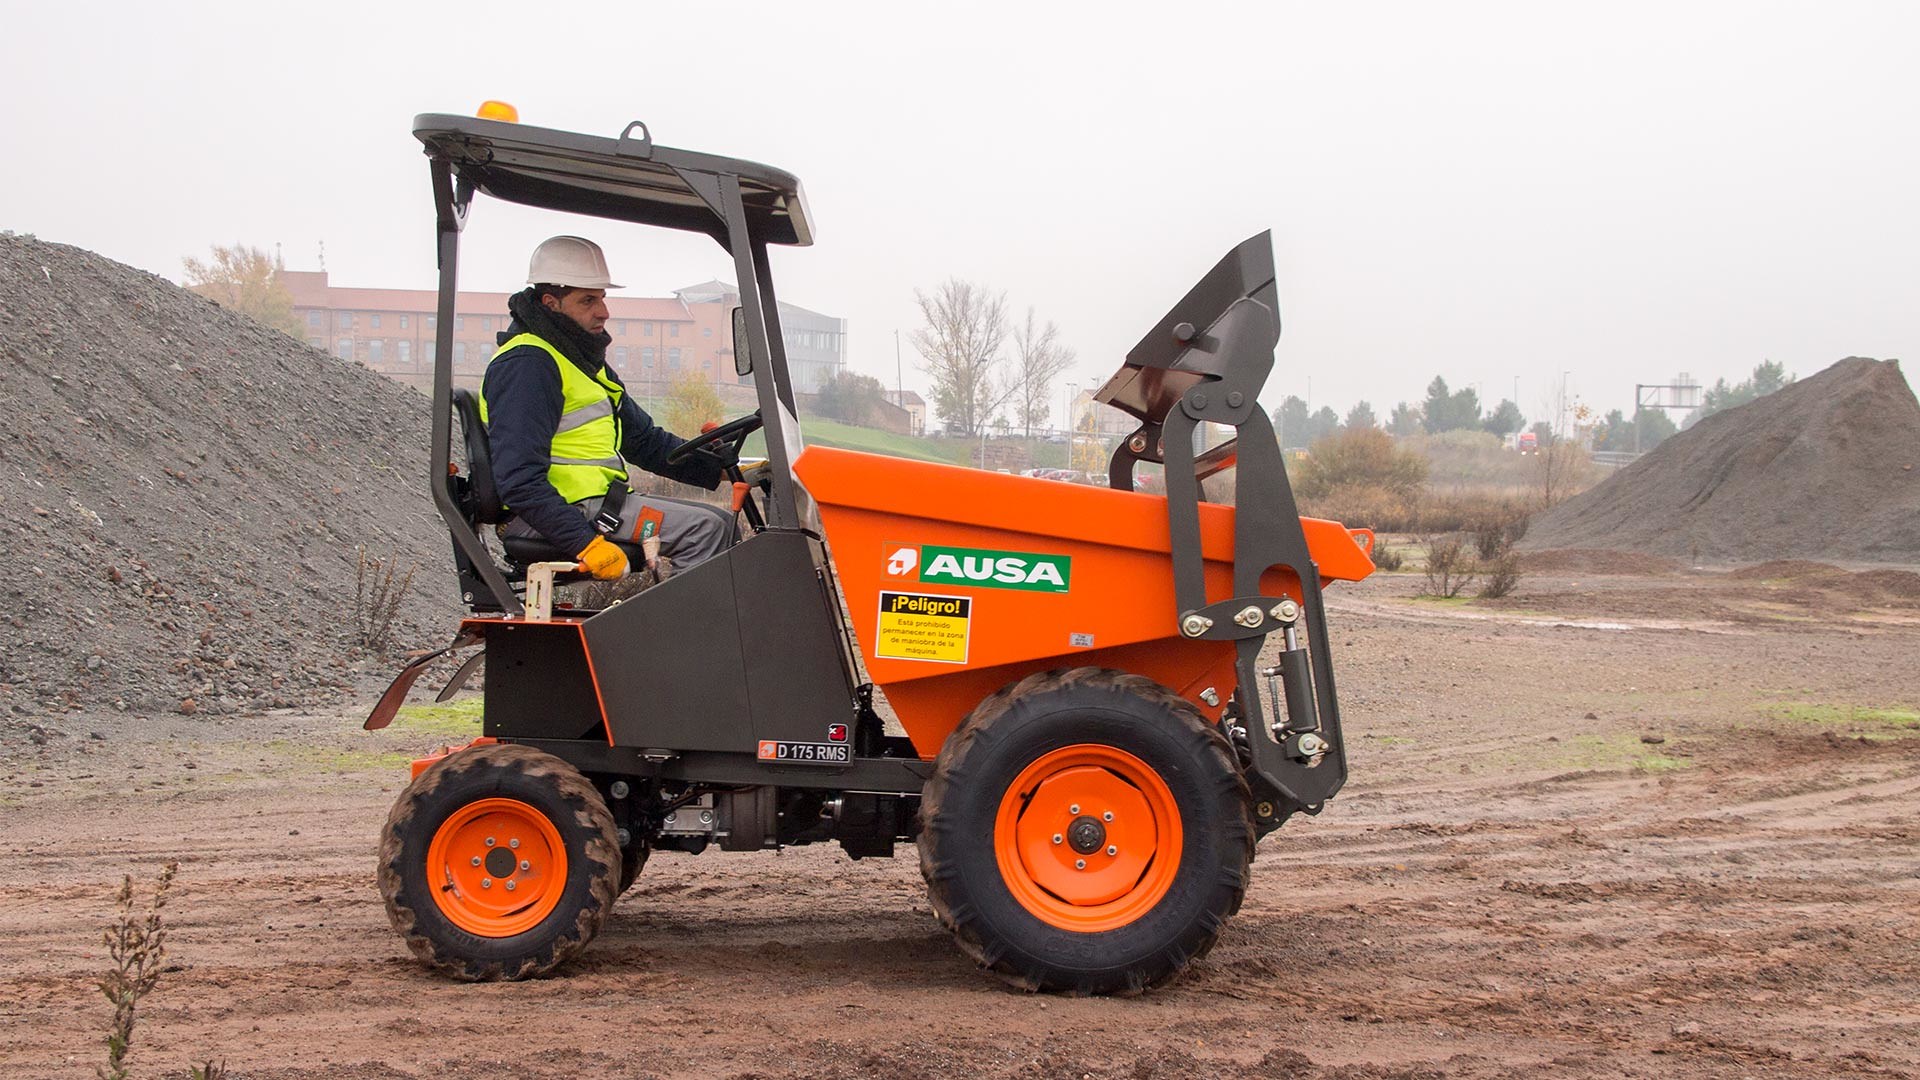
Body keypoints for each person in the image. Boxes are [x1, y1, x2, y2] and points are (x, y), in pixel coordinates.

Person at [479, 235, 736, 580]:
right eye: (588, 300)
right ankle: (689, 618)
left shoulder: (580, 360)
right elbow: (519, 479)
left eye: (602, 298)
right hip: (555, 516)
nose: (603, 311)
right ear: (551, 303)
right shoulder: (529, 364)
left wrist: (722, 469)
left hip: (597, 504)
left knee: (723, 523)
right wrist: (586, 544)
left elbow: (643, 440)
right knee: (706, 530)